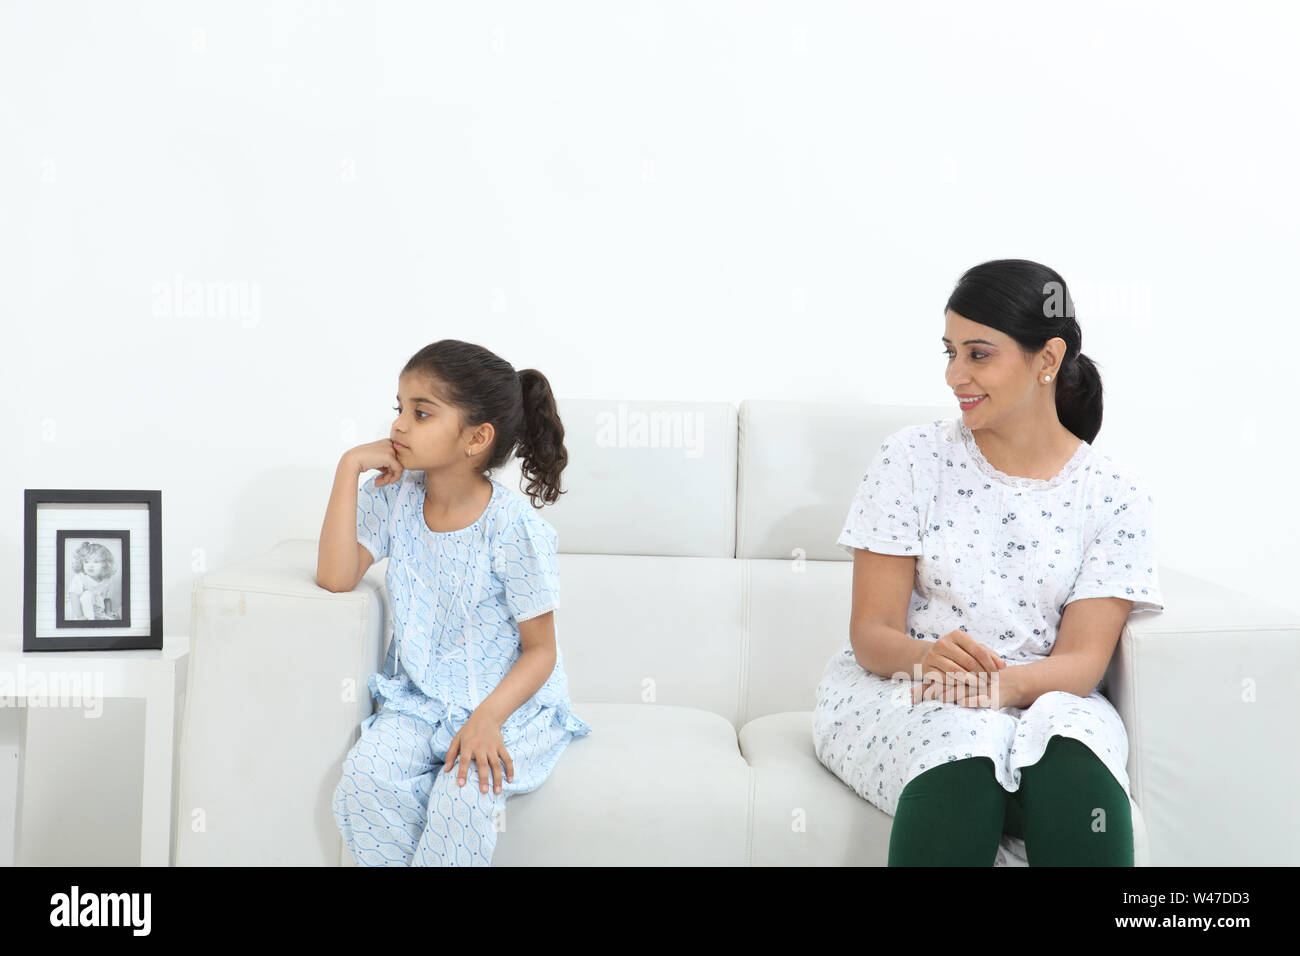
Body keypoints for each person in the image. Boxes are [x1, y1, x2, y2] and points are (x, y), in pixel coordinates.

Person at [812, 259, 1165, 866]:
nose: (954, 376)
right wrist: (926, 658)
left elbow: (1081, 662)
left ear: (1047, 360)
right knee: (963, 768)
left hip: (1050, 695)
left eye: (978, 354)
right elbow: (871, 634)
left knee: (1074, 779)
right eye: (949, 352)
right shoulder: (911, 459)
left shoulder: (1114, 495)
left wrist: (999, 686)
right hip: (913, 689)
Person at [319, 339, 591, 866]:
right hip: (420, 702)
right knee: (363, 783)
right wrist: (348, 466)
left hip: (507, 710)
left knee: (461, 797)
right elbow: (335, 576)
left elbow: (541, 651)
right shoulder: (396, 497)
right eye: (399, 408)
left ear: (476, 438)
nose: (398, 425)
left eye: (421, 413)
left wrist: (486, 719)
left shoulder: (514, 528)